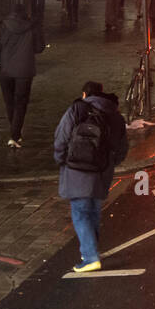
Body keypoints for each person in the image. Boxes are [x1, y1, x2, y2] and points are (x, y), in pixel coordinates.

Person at [53, 81, 129, 273]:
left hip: (77, 168)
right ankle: (91, 250)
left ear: (85, 94)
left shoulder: (77, 110)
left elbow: (61, 137)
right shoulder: (115, 115)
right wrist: (110, 164)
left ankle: (90, 257)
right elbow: (122, 148)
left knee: (80, 212)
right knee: (93, 211)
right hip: (102, 171)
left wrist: (61, 159)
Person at [0, 4, 38, 148]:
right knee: (20, 103)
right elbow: (39, 47)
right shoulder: (32, 26)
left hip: (5, 70)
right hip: (24, 70)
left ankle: (15, 132)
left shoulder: (2, 25)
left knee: (9, 102)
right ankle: (15, 135)